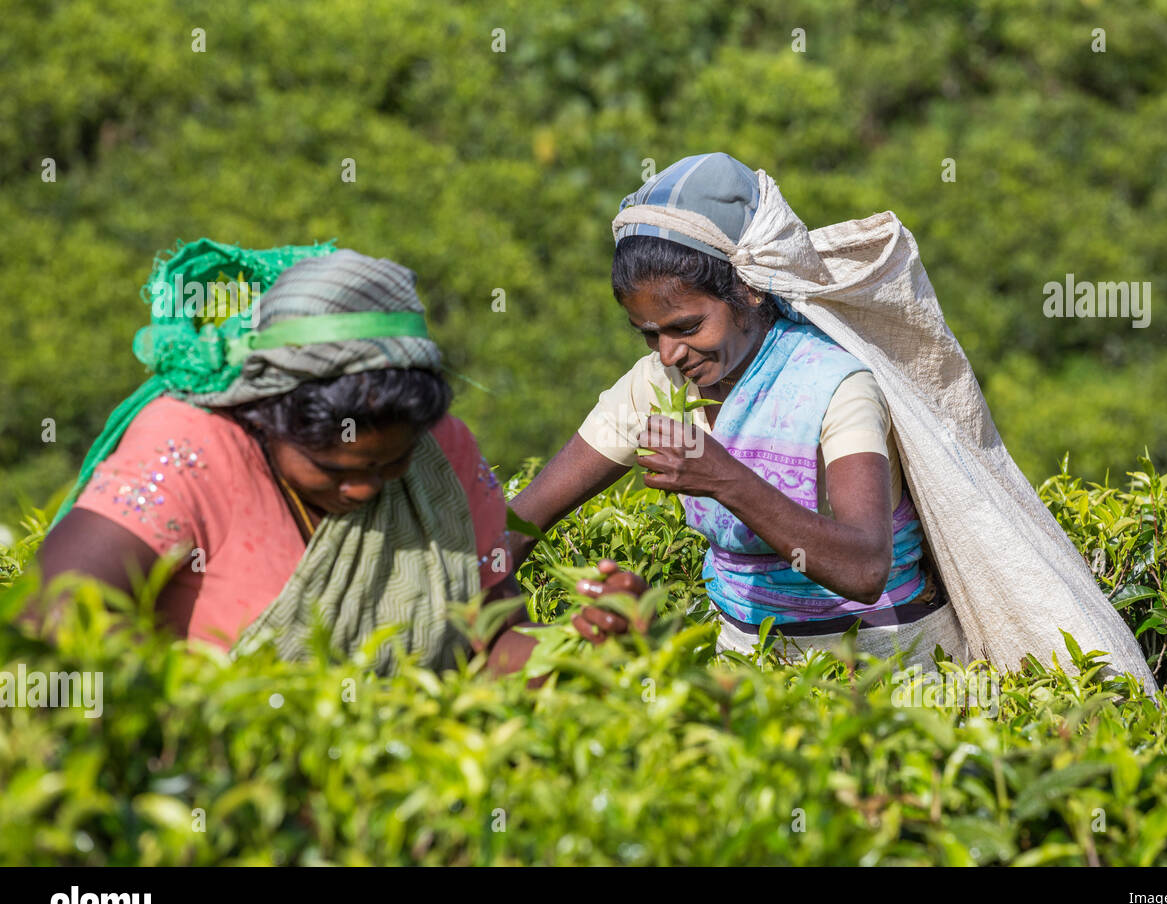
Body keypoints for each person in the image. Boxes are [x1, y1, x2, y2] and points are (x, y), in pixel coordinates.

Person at [28, 239, 637, 677]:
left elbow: (490, 641)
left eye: (388, 464)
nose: (366, 491)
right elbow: (52, 619)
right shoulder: (191, 447)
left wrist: (581, 645)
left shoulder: (441, 456)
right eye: (336, 470)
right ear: (266, 417)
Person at [507, 153, 961, 665]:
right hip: (748, 658)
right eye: (649, 334)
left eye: (687, 327)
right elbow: (524, 519)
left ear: (747, 289)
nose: (669, 354)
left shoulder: (834, 384)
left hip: (886, 659)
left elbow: (864, 569)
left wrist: (725, 478)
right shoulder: (654, 385)